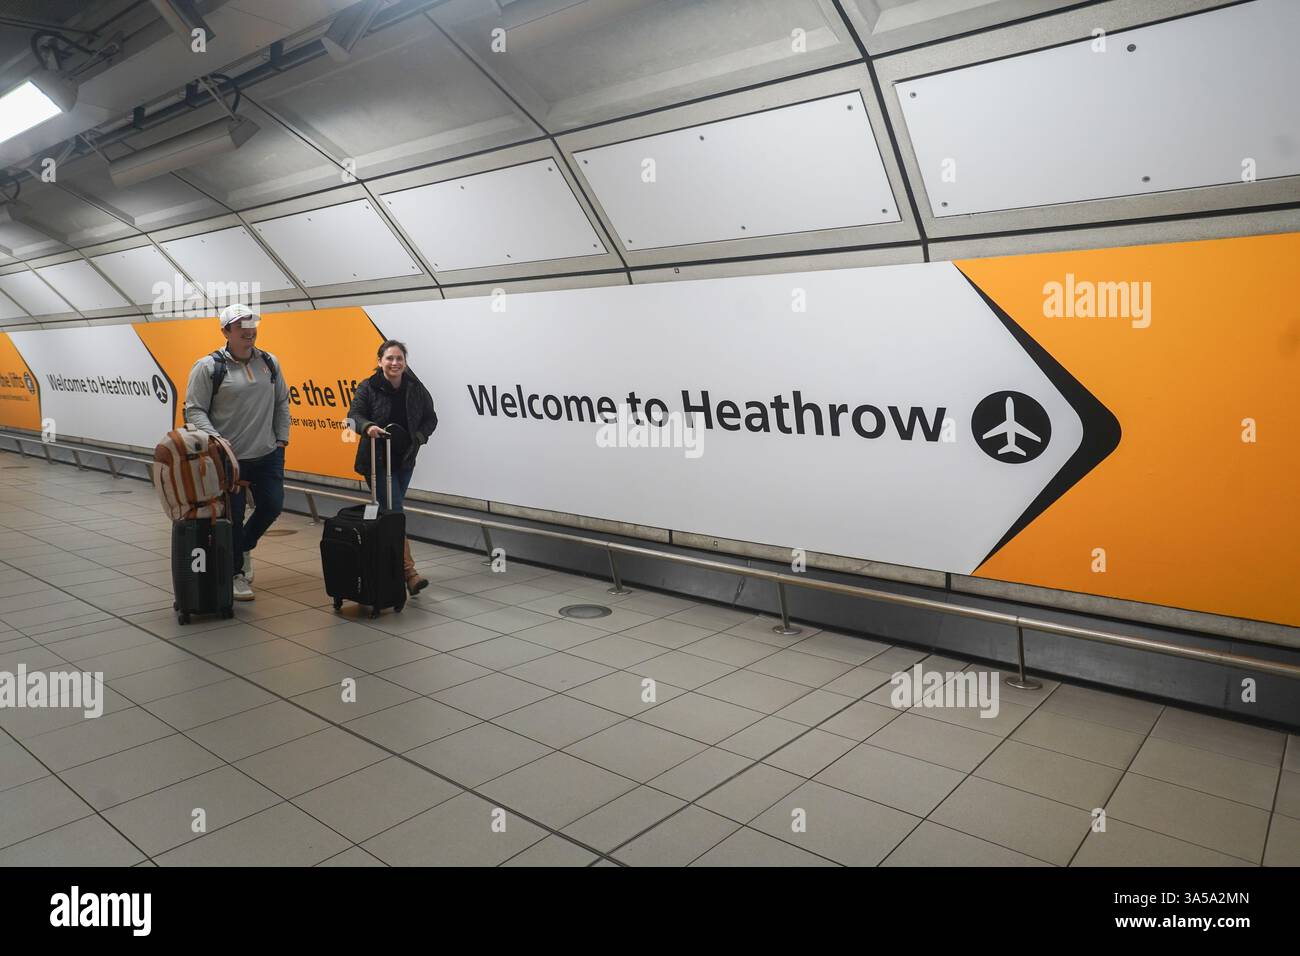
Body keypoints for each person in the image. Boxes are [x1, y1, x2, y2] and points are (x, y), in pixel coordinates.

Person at [184, 303, 290, 601]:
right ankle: (235, 574)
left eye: (252, 325)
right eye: (241, 327)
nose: (249, 331)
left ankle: (242, 548)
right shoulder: (208, 367)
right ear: (225, 332)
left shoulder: (269, 362)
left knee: (272, 505)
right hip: (228, 459)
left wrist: (281, 440)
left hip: (268, 453)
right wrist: (216, 439)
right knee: (233, 514)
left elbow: (282, 402)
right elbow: (194, 410)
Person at [346, 339, 438, 595]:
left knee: (387, 514)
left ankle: (385, 561)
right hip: (376, 463)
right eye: (390, 358)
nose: (395, 363)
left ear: (405, 362)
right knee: (395, 511)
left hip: (404, 461)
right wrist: (367, 427)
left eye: (399, 358)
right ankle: (409, 573)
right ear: (380, 362)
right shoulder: (368, 387)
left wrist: (419, 437)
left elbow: (431, 418)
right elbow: (353, 417)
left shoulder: (415, 388)